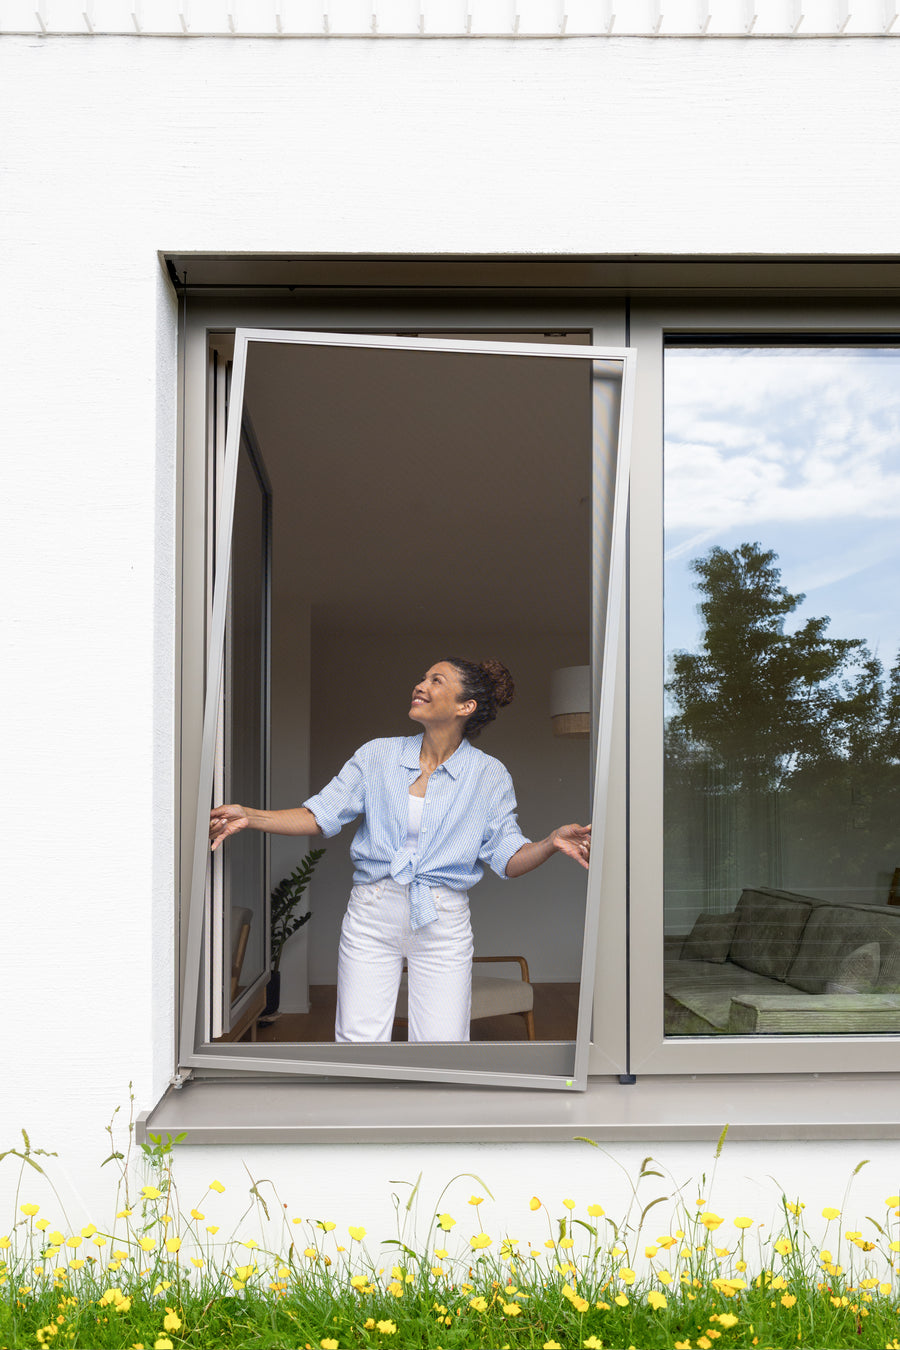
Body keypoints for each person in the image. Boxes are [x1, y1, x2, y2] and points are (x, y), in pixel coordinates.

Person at [209, 658, 591, 1043]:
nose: (420, 685)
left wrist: (550, 843)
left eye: (435, 680)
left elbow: (508, 858)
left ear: (465, 706)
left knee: (442, 1045)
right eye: (422, 677)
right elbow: (319, 815)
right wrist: (251, 815)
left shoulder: (489, 775)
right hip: (372, 912)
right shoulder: (377, 756)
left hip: (442, 920)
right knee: (358, 1041)